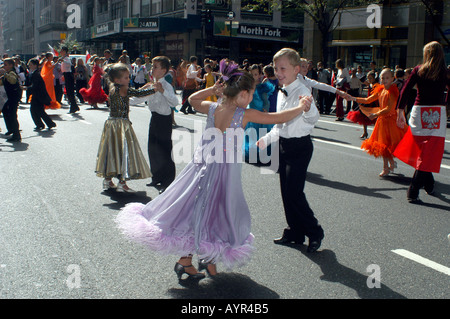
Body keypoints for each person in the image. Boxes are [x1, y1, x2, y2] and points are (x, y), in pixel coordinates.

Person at [115, 59, 313, 280]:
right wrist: (301, 106)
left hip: (201, 169)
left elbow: (191, 99)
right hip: (223, 174)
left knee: (196, 209)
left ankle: (206, 261)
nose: (250, 100)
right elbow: (278, 118)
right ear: (243, 94)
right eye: (250, 94)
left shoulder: (213, 108)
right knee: (217, 213)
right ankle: (186, 260)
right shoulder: (244, 114)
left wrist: (212, 89)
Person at [257, 48, 324, 253]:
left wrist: (308, 107)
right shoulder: (281, 90)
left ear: (296, 69)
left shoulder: (302, 91)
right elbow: (280, 124)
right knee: (286, 193)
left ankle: (314, 231)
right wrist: (266, 140)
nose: (278, 72)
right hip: (284, 145)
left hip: (300, 146)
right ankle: (295, 232)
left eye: (283, 68)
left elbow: (314, 119)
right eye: (276, 68)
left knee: (294, 193)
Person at [393, 41, 450, 203]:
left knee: (422, 151)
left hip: (419, 113)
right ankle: (413, 188)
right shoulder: (445, 73)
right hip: (437, 113)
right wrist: (447, 104)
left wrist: (400, 110)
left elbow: (405, 89)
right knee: (429, 151)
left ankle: (429, 183)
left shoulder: (418, 70)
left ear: (427, 54)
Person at [95, 63, 158, 193]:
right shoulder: (124, 89)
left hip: (111, 123)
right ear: (118, 80)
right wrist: (154, 89)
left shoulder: (113, 88)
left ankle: (107, 180)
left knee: (112, 151)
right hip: (121, 125)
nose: (128, 79)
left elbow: (135, 91)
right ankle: (122, 183)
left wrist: (146, 86)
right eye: (126, 77)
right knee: (125, 152)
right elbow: (138, 93)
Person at [350, 68, 408, 177]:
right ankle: (387, 166)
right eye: (382, 78)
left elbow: (389, 108)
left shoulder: (393, 91)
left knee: (388, 145)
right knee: (383, 145)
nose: (384, 80)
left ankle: (388, 165)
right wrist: (353, 98)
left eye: (387, 78)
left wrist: (375, 114)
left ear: (392, 78)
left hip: (391, 121)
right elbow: (368, 100)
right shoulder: (380, 90)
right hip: (382, 120)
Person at [142, 56, 179, 194]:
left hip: (164, 119)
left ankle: (167, 181)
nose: (152, 69)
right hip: (154, 118)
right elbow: (141, 98)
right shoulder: (152, 85)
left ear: (164, 70)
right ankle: (156, 176)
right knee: (153, 148)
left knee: (164, 150)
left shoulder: (166, 85)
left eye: (156, 67)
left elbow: (175, 102)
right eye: (152, 66)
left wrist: (162, 91)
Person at [244, 63, 275, 163]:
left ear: (261, 74)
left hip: (261, 114)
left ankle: (262, 154)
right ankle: (252, 153)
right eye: (253, 74)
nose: (255, 77)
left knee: (262, 134)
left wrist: (266, 109)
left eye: (257, 74)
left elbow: (266, 101)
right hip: (252, 115)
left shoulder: (263, 87)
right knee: (252, 135)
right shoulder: (248, 88)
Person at [347, 71, 380, 139]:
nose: (369, 80)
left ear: (374, 78)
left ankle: (375, 134)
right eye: (368, 78)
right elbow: (362, 80)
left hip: (374, 102)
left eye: (371, 78)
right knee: (363, 116)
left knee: (375, 120)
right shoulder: (370, 84)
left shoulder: (376, 85)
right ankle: (365, 132)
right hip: (368, 101)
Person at [26, 58, 57, 131]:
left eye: (30, 64)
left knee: (37, 110)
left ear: (35, 65)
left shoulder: (36, 74)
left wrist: (27, 88)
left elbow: (35, 85)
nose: (29, 66)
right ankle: (45, 124)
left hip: (38, 95)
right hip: (37, 95)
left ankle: (43, 124)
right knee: (36, 110)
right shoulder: (34, 73)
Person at [0, 58, 22, 142]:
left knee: (12, 115)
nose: (4, 66)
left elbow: (12, 81)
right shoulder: (7, 74)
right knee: (7, 113)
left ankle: (16, 135)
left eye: (5, 65)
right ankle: (12, 130)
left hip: (13, 98)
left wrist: (4, 73)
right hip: (8, 98)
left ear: (11, 65)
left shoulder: (12, 73)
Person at [59, 47, 79, 113]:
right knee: (68, 91)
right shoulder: (64, 58)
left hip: (68, 75)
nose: (60, 52)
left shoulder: (66, 58)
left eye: (62, 51)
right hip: (65, 75)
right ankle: (74, 106)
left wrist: (63, 60)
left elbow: (69, 64)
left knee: (70, 91)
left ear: (65, 51)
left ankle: (73, 106)